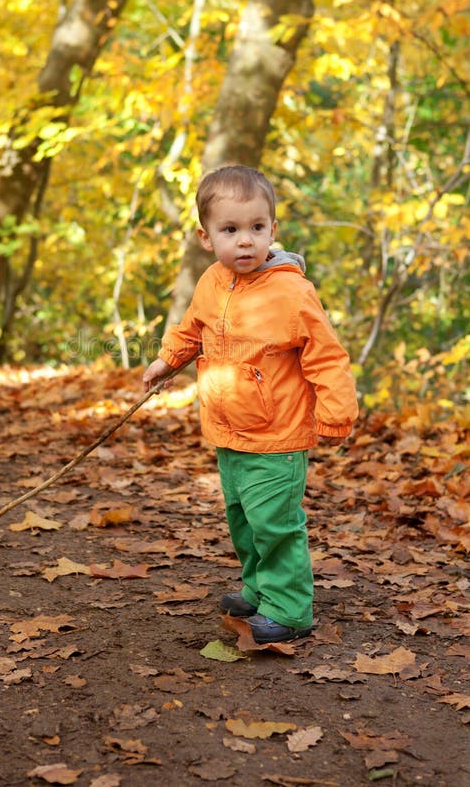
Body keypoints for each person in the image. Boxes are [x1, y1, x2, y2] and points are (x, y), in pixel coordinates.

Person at [143, 165, 358, 644]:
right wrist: (166, 361)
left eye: (256, 228)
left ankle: (290, 610)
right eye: (231, 230)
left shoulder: (291, 292)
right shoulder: (212, 282)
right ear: (206, 236)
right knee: (243, 521)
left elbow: (327, 355)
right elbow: (192, 328)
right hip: (228, 431)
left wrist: (336, 413)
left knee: (275, 524)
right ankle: (259, 588)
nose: (245, 241)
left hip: (277, 436)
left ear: (273, 230)